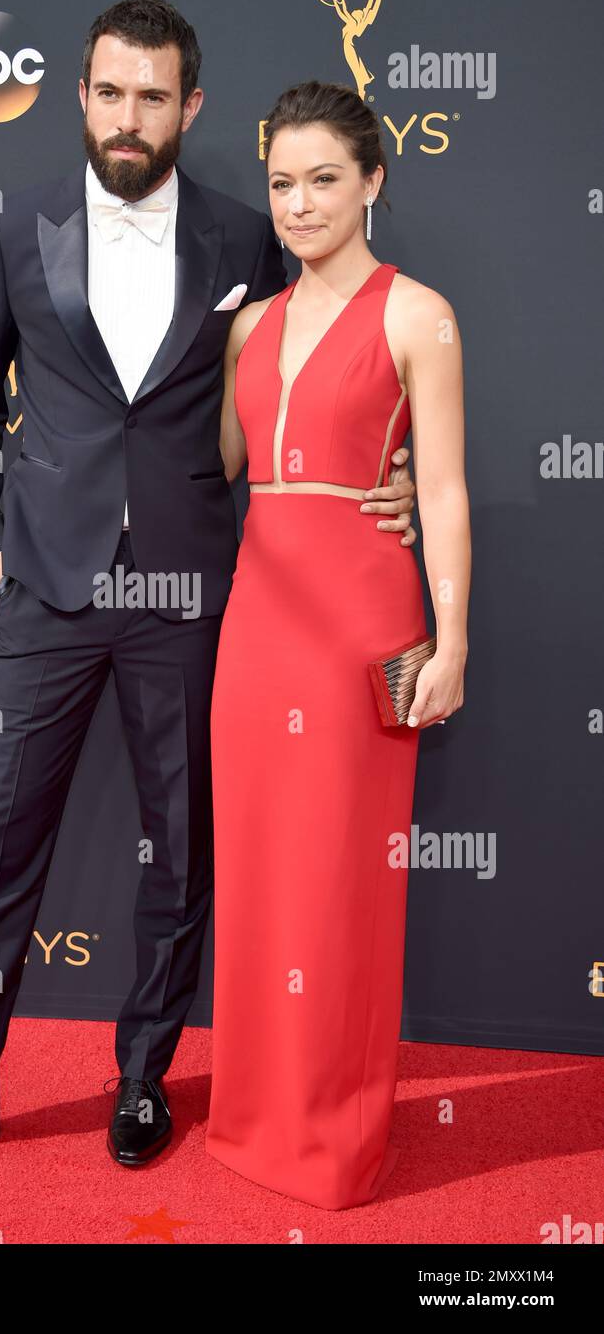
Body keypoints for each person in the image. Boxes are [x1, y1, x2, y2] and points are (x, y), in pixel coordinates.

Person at [0, 2, 417, 1182]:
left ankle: (142, 1075)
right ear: (79, 96)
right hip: (44, 587)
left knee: (177, 849)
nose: (128, 116)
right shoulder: (13, 229)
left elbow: (326, 362)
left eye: (154, 96)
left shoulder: (249, 237)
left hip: (197, 594)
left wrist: (387, 472)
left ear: (190, 108)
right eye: (110, 92)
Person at [205, 80, 470, 1209]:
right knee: (261, 874)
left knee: (341, 884)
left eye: (322, 179)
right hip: (256, 627)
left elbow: (445, 489)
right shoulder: (248, 324)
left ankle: (334, 1137)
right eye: (279, 182)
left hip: (361, 618)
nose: (298, 203)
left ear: (371, 181)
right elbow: (219, 463)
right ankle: (254, 1115)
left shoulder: (418, 313)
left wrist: (451, 638)